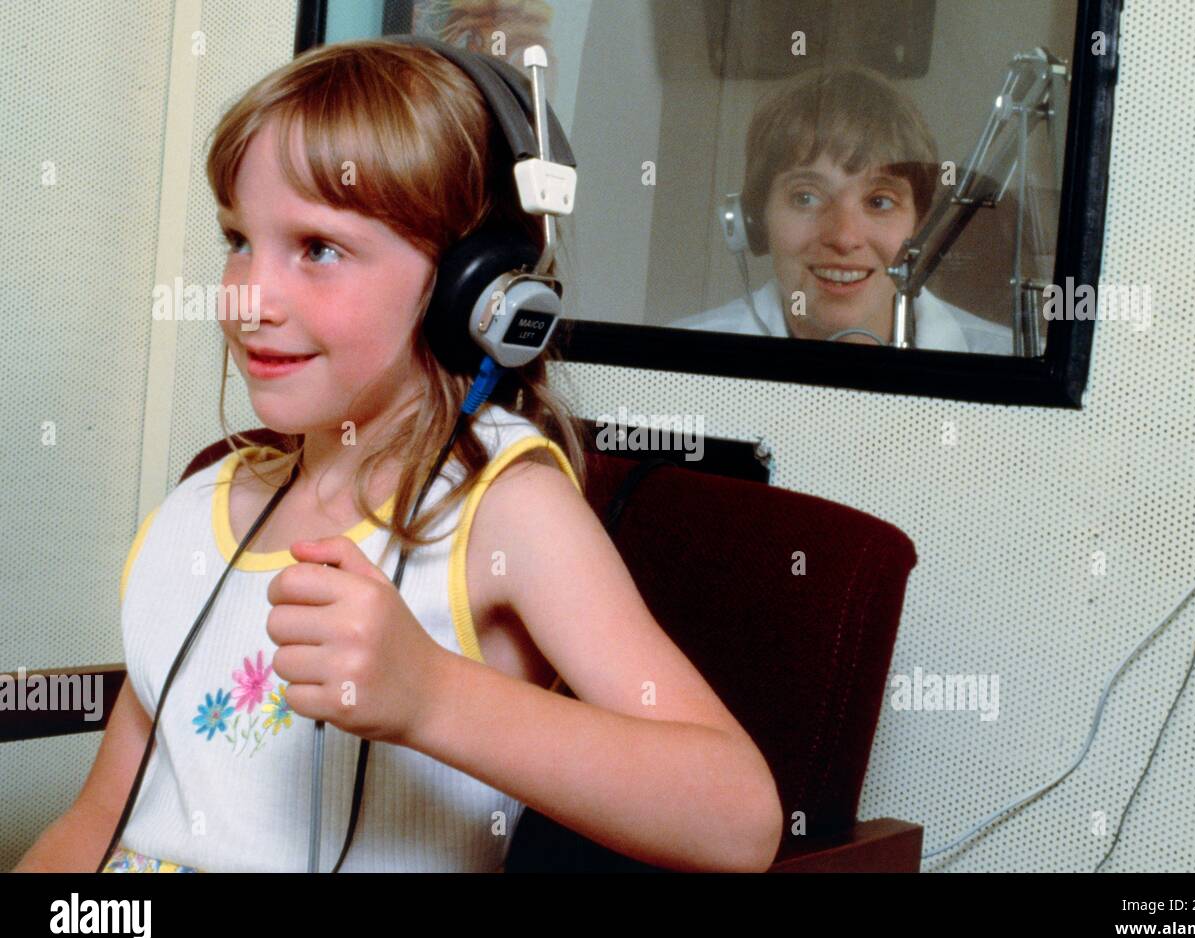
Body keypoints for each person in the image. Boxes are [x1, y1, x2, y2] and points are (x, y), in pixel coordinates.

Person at [15, 39, 782, 874]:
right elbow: (95, 822)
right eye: (239, 239)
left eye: (317, 247)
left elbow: (737, 818)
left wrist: (430, 695)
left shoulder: (503, 508)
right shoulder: (204, 507)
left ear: (476, 287)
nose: (248, 298)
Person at [674, 65, 1015, 355]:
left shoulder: (1015, 366)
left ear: (920, 225)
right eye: (806, 197)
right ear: (755, 220)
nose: (843, 237)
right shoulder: (676, 362)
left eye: (879, 202)